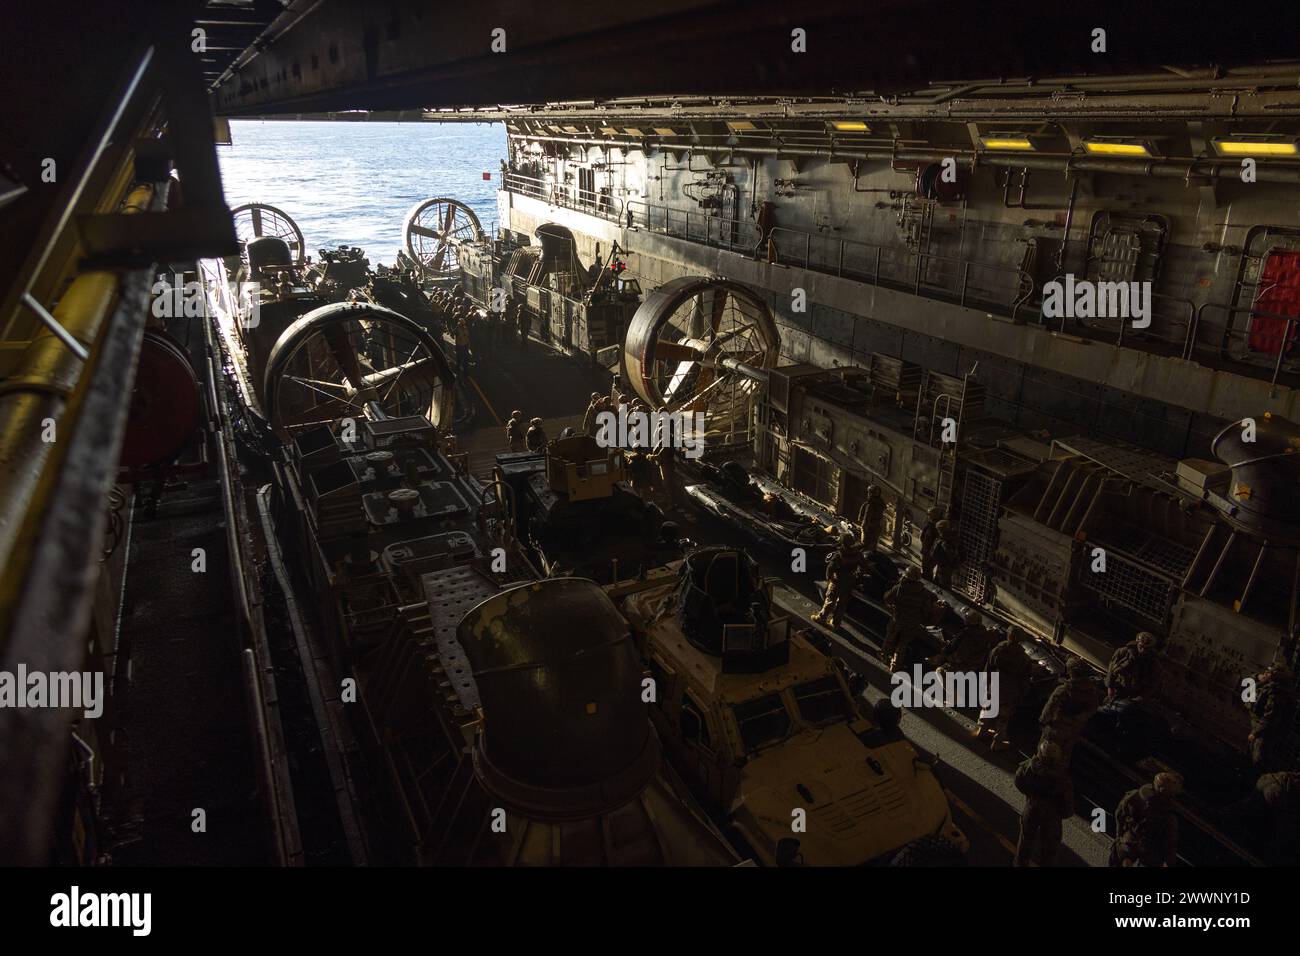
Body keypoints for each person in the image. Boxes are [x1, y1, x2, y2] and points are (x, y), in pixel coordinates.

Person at [1013, 740, 1073, 867]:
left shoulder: (1030, 767)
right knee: (1049, 849)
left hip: (1032, 807)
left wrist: (1030, 795)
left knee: (1025, 841)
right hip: (1052, 815)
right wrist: (1062, 813)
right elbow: (1067, 804)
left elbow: (1019, 780)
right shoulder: (1062, 778)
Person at [975, 625, 1035, 750]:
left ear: (1008, 636)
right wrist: (1022, 694)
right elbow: (1024, 680)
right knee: (1003, 718)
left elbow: (989, 667)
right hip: (1010, 692)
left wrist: (985, 684)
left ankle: (982, 731)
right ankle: (997, 742)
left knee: (987, 710)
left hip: (994, 686)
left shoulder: (998, 650)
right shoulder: (1024, 659)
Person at [1110, 772, 1182, 867]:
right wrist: (1169, 863)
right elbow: (1170, 844)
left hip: (1130, 839)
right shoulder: (1169, 816)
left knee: (1121, 853)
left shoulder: (1135, 795)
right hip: (1149, 850)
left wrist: (1119, 834)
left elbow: (1119, 814)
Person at [1039, 657, 1103, 762]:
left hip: (1056, 728)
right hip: (1073, 731)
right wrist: (1078, 720)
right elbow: (1092, 709)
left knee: (1044, 754)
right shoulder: (1091, 693)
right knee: (1062, 757)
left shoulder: (1064, 690)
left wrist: (1043, 720)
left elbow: (1050, 707)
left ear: (1071, 671)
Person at [881, 565, 940, 671]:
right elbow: (927, 610)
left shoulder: (899, 588)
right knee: (902, 644)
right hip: (913, 623)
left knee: (890, 638)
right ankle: (895, 664)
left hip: (898, 619)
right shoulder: (924, 593)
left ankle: (884, 656)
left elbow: (887, 598)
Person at [1245, 662, 1297, 774]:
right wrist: (1258, 677)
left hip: (1264, 733)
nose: (1265, 673)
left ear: (1274, 675)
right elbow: (1248, 681)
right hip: (1259, 728)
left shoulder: (1276, 693)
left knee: (1258, 759)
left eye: (1268, 672)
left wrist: (1255, 733)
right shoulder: (1268, 685)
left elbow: (1269, 717)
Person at [811, 535, 866, 631]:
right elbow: (864, 566)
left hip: (838, 581)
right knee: (842, 603)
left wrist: (830, 578)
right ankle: (835, 623)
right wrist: (857, 576)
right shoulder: (858, 554)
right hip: (849, 581)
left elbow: (830, 568)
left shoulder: (839, 554)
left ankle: (822, 618)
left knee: (830, 600)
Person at [934, 606, 996, 673]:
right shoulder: (981, 630)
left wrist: (947, 657)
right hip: (974, 662)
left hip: (964, 663)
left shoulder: (969, 636)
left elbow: (960, 656)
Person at [1106, 631, 1160, 702]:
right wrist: (1110, 687)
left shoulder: (1153, 663)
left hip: (1135, 694)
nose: (1143, 650)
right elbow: (1111, 670)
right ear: (1137, 643)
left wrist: (1141, 697)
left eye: (1146, 648)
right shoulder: (1123, 652)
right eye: (1141, 647)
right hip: (1118, 688)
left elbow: (1153, 683)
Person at [930, 519, 960, 589]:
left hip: (945, 565)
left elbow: (950, 555)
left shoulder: (946, 540)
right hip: (942, 564)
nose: (938, 531)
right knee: (939, 581)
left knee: (944, 584)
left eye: (939, 530)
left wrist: (951, 563)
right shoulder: (944, 538)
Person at [649, 442, 678, 511]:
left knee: (668, 485)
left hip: (667, 467)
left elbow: (659, 456)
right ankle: (669, 501)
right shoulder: (666, 441)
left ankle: (672, 504)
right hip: (666, 466)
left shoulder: (667, 444)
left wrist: (650, 456)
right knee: (667, 484)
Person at [856, 485, 886, 552]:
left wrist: (863, 527)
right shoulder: (881, 503)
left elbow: (867, 517)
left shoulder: (870, 505)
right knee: (873, 546)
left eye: (869, 492)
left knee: (865, 545)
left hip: (869, 528)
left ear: (871, 493)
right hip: (877, 527)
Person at [918, 507, 941, 581]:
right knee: (926, 570)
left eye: (929, 515)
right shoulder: (930, 525)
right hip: (927, 551)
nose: (928, 516)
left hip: (930, 553)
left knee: (927, 571)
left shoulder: (936, 527)